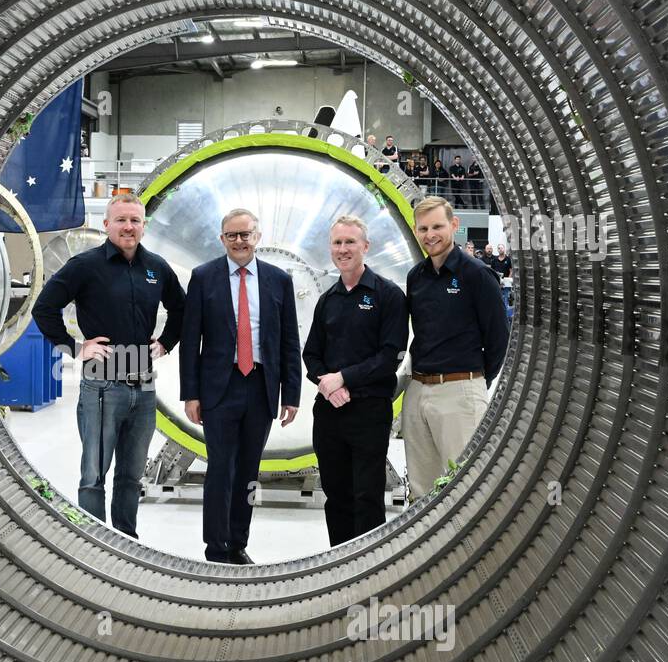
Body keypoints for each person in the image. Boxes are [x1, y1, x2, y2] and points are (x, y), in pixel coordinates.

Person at [32, 193, 185, 538]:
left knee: (131, 476)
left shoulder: (156, 268)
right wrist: (74, 347)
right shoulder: (85, 266)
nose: (128, 227)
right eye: (121, 220)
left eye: (135, 220)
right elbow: (43, 308)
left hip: (144, 387)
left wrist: (165, 343)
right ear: (107, 225)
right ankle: (94, 544)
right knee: (94, 476)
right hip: (101, 386)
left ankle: (127, 542)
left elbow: (181, 310)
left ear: (143, 225)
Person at [180, 208, 301, 563]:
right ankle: (216, 549)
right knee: (221, 468)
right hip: (220, 387)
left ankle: (238, 544)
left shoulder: (278, 280)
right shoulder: (204, 277)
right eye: (231, 235)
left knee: (249, 471)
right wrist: (191, 392)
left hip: (261, 387)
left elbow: (289, 341)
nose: (239, 241)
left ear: (257, 237)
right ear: (222, 239)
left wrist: (290, 394)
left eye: (245, 234)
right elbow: (191, 340)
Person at [302, 216, 408, 546]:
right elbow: (311, 355)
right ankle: (339, 568)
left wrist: (343, 378)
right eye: (337, 243)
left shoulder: (388, 296)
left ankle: (367, 571)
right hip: (330, 413)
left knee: (367, 496)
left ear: (365, 246)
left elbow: (390, 355)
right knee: (336, 496)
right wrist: (328, 386)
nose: (343, 249)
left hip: (369, 412)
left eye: (350, 242)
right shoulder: (328, 300)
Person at [403, 197, 509, 498]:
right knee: (422, 488)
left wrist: (474, 383)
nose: (430, 234)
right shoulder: (416, 277)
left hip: (460, 390)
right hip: (419, 389)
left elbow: (498, 338)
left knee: (464, 487)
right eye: (423, 228)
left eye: (437, 226)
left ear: (454, 225)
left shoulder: (476, 275)